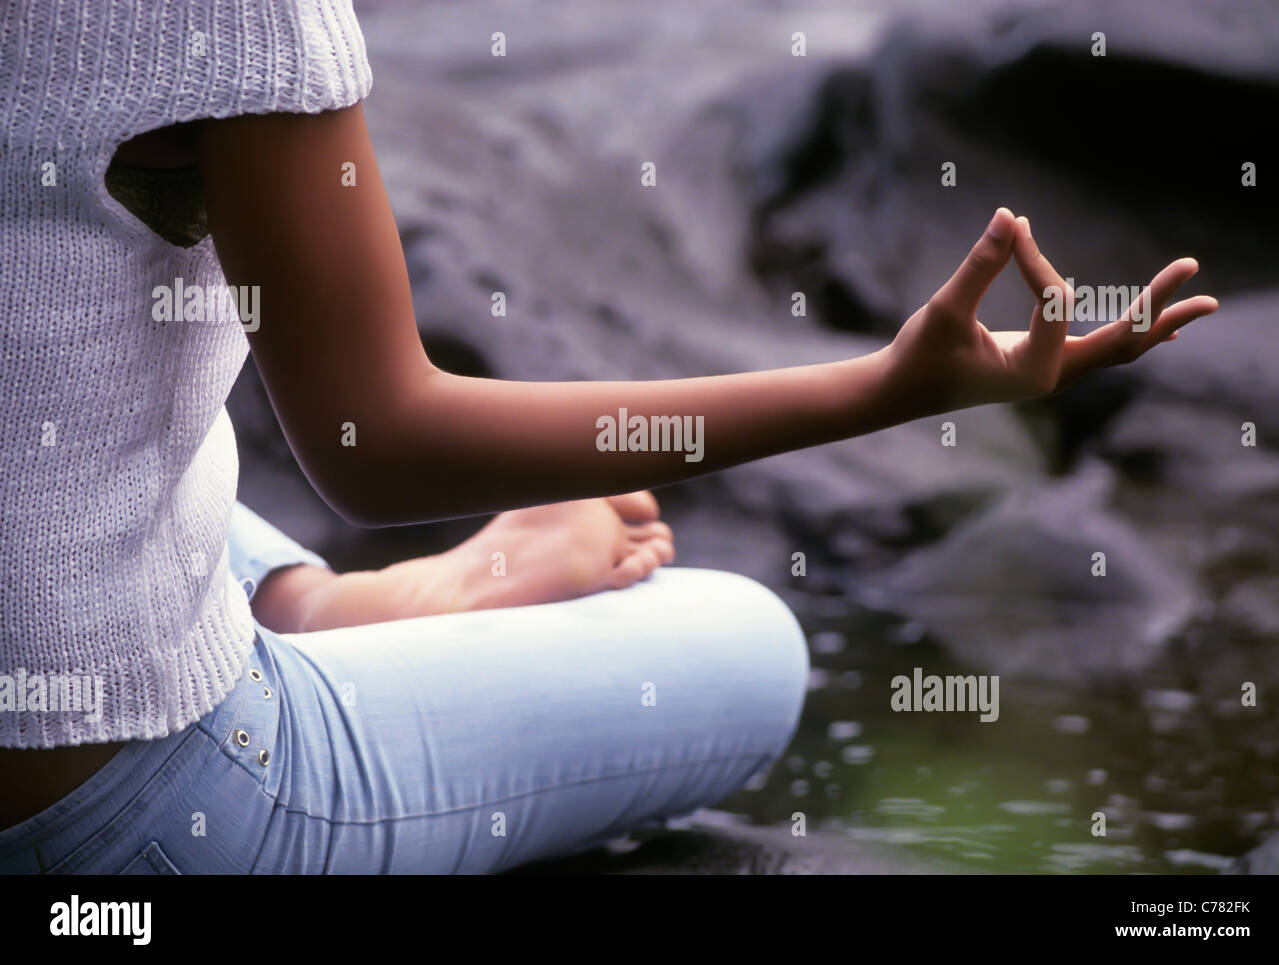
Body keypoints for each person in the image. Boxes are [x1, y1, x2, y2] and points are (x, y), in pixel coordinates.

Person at [0, 1, 1217, 873]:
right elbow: (376, 443)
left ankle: (318, 606)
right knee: (747, 640)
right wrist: (885, 389)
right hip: (113, 801)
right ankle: (378, 603)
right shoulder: (218, 17)